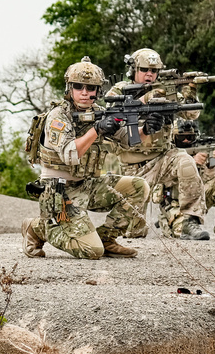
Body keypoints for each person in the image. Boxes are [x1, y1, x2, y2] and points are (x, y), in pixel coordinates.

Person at [22, 57, 149, 260]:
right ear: (69, 88)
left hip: (88, 184)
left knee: (139, 187)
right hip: (59, 191)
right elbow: (70, 154)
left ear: (98, 91)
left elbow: (128, 140)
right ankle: (37, 227)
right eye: (78, 87)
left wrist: (148, 129)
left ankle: (107, 238)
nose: (84, 92)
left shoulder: (99, 112)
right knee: (91, 251)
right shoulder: (58, 117)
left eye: (90, 88)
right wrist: (97, 130)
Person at [106, 48, 210, 240]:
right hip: (133, 169)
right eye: (145, 69)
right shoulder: (120, 89)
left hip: (164, 159)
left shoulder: (163, 90)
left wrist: (190, 90)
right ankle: (163, 220)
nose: (149, 75)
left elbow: (191, 113)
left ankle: (191, 221)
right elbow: (111, 115)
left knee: (185, 161)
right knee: (133, 232)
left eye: (154, 71)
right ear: (134, 69)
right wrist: (146, 99)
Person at [173, 121, 215, 238]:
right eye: (182, 137)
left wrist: (210, 163)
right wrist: (191, 162)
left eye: (190, 137)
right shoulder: (169, 154)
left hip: (195, 200)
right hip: (174, 204)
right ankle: (184, 227)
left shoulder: (198, 149)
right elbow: (168, 183)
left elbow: (207, 181)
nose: (186, 140)